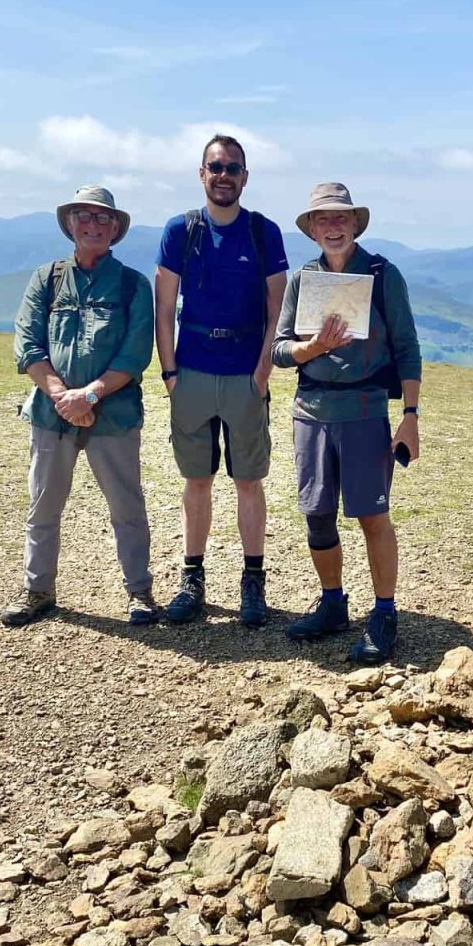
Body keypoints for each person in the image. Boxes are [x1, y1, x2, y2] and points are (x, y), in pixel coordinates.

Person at [271, 183, 422, 663]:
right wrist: (310, 349)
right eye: (322, 220)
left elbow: (407, 347)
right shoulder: (303, 279)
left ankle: (384, 612)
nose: (333, 227)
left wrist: (411, 417)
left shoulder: (381, 274)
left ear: (355, 224)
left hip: (364, 411)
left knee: (372, 515)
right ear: (312, 229)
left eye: (341, 219)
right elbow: (278, 351)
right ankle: (333, 603)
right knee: (317, 513)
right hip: (311, 412)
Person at [1, 185, 157, 627]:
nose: (93, 225)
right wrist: (63, 397)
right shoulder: (46, 279)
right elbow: (27, 345)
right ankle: (38, 590)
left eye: (103, 219)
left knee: (127, 506)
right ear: (70, 224)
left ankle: (140, 593)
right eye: (84, 216)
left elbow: (134, 353)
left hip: (114, 413)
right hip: (52, 414)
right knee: (44, 505)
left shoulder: (132, 285)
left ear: (115, 230)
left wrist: (88, 395)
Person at [153, 135, 289, 627]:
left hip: (245, 374)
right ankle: (193, 579)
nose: (224, 175)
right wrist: (170, 373)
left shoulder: (263, 232)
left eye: (233, 167)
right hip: (190, 370)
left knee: (248, 480)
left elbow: (279, 306)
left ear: (245, 177)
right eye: (216, 166)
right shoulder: (180, 230)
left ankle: (253, 584)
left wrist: (262, 371)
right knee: (197, 480)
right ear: (202, 173)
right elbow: (163, 306)